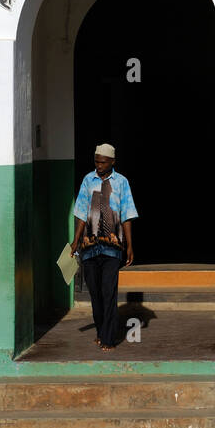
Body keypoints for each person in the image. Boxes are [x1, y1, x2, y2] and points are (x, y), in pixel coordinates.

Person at [70, 144, 137, 352]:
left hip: (112, 247)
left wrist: (129, 246)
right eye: (96, 161)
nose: (99, 166)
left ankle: (108, 338)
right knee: (95, 294)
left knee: (109, 292)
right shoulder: (87, 180)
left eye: (103, 162)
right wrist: (75, 241)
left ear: (112, 162)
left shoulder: (122, 182)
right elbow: (81, 212)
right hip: (89, 247)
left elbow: (126, 214)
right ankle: (101, 332)